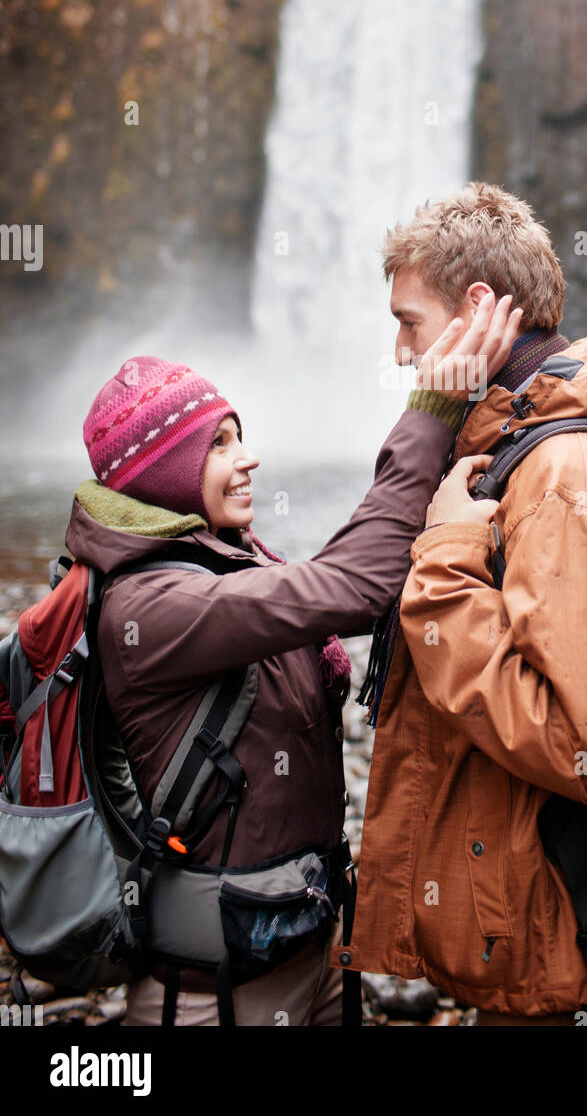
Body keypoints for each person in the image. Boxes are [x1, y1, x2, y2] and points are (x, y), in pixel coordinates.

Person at [68, 292, 520, 1027]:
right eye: (216, 445)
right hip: (217, 992)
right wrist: (432, 407)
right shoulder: (151, 608)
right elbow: (351, 585)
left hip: (307, 946)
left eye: (237, 437)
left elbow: (353, 582)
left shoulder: (226, 565)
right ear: (159, 473)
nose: (248, 458)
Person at [335, 182, 587, 1025]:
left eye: (409, 323)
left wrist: (446, 564)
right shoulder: (510, 439)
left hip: (572, 944)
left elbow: (578, 744)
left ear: (478, 308)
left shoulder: (573, 476)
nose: (397, 352)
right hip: (531, 926)